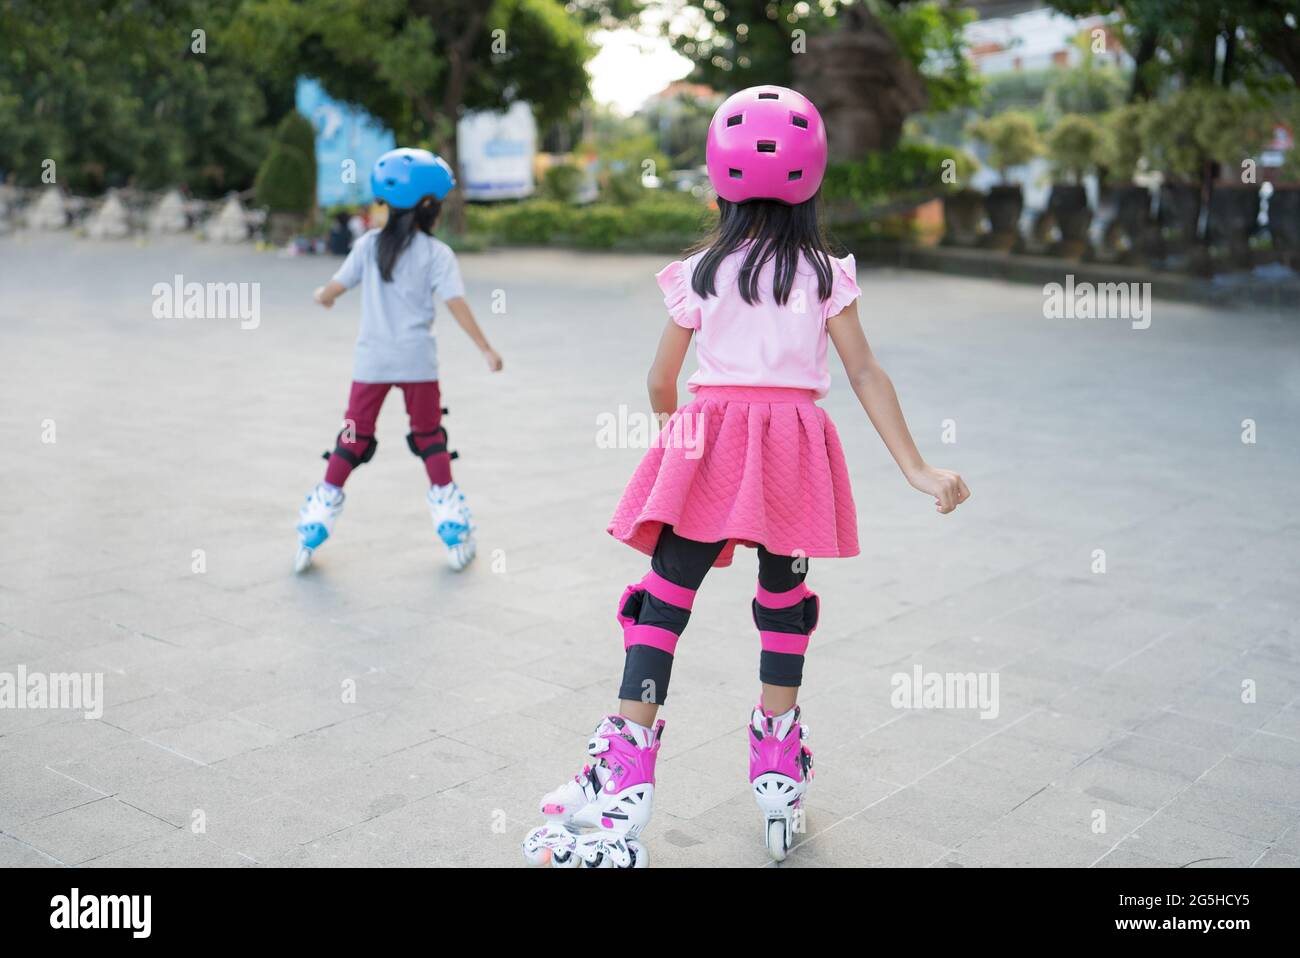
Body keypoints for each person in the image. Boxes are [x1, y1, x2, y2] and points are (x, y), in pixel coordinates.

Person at [523, 86, 970, 868]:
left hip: (710, 442)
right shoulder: (826, 274)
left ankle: (625, 771)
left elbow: (661, 378)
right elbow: (864, 373)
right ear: (815, 180)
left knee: (659, 604)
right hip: (795, 447)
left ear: (718, 180)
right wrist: (916, 467)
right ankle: (776, 769)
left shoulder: (702, 272)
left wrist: (681, 444)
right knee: (784, 606)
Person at [293, 148, 503, 574]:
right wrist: (485, 347)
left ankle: (316, 519)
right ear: (428, 207)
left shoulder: (367, 246)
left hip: (371, 363)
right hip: (417, 363)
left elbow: (334, 288)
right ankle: (451, 525)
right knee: (429, 437)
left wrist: (322, 297)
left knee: (352, 437)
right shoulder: (437, 254)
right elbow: (456, 304)